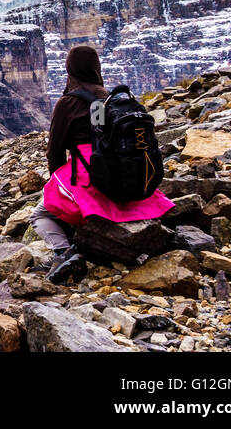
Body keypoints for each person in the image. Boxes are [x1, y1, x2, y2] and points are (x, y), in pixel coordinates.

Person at [30, 45, 174, 284]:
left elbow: (54, 152)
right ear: (96, 67)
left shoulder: (68, 103)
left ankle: (63, 253)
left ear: (70, 69)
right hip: (121, 171)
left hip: (86, 173)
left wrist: (59, 187)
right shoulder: (110, 98)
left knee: (41, 214)